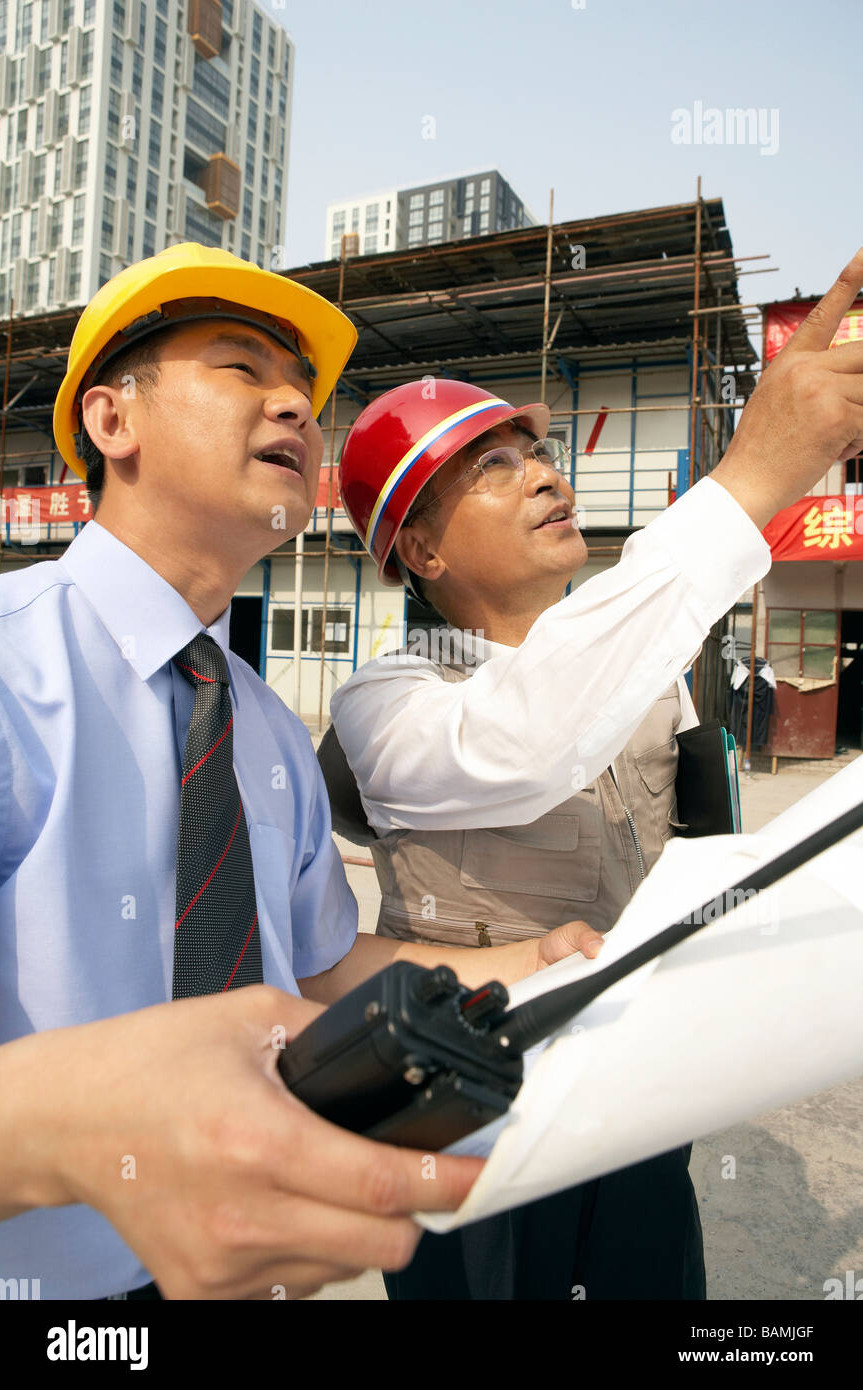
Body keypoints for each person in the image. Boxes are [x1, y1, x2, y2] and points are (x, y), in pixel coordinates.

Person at [0, 243, 602, 1301]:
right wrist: (80, 1131)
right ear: (112, 421)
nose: (293, 406)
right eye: (242, 368)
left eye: (306, 396)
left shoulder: (264, 727)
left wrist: (526, 960)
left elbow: (313, 965)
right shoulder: (11, 668)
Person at [325, 250, 863, 1298]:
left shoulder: (654, 680)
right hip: (473, 1110)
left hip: (632, 1098)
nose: (544, 472)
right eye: (489, 466)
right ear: (420, 551)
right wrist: (753, 475)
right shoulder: (383, 703)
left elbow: (702, 858)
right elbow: (523, 743)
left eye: (537, 449)